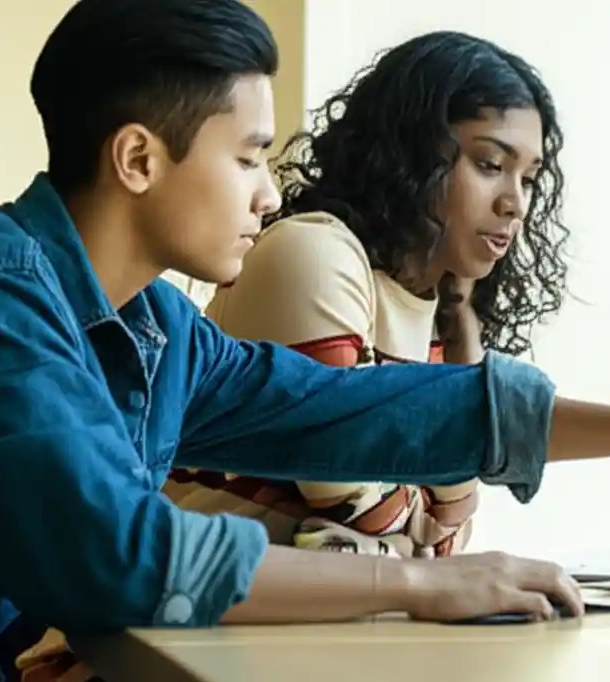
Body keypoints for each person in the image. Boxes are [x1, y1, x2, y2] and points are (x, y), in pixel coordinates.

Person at [0, 0, 610, 682]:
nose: (268, 195)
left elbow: (358, 408)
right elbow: (118, 557)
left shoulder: (157, 331)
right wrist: (418, 582)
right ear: (139, 157)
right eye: (250, 157)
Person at [165, 30, 574, 559]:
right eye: (491, 165)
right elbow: (349, 498)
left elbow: (443, 537)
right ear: (412, 153)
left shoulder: (440, 308)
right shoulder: (314, 254)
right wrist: (423, 521)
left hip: (303, 624)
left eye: (529, 178)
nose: (514, 203)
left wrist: (464, 349)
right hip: (164, 627)